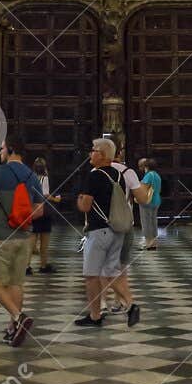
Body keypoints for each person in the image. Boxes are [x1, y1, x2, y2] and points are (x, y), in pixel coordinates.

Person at [76, 138, 150, 327]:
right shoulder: (121, 175)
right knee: (111, 272)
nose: (90, 154)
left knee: (92, 275)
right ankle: (131, 304)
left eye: (93, 150)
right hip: (118, 230)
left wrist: (79, 198)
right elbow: (140, 197)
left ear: (102, 154)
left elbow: (85, 206)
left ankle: (95, 315)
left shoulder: (94, 175)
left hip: (99, 230)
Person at [0, 140, 44, 346]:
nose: (0, 151)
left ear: (10, 150)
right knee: (16, 282)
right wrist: (21, 217)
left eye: (2, 148)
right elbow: (40, 210)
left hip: (2, 235)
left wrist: (1, 205)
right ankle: (13, 328)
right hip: (24, 236)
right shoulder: (32, 176)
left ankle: (19, 317)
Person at [30, 156, 60, 274]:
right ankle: (43, 265)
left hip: (33, 210)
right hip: (44, 212)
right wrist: (53, 198)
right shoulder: (47, 179)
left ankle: (27, 266)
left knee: (32, 240)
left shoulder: (30, 179)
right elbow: (51, 197)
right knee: (44, 241)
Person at [138, 156, 162, 250]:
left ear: (146, 167)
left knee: (146, 222)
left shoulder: (148, 175)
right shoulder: (157, 175)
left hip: (147, 201)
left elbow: (143, 188)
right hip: (156, 201)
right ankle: (154, 243)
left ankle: (148, 242)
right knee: (153, 221)